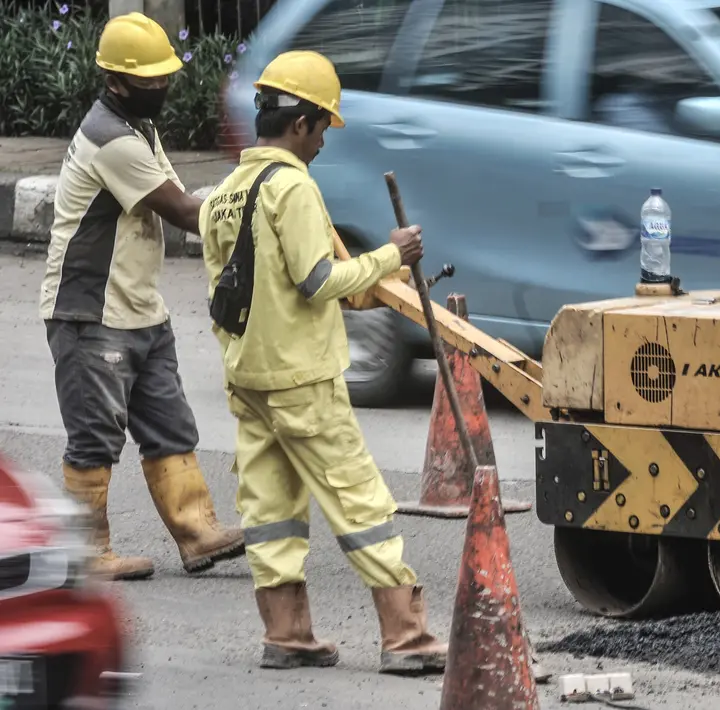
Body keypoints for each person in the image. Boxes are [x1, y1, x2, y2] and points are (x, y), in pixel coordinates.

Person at [199, 50, 448, 675]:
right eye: (321, 130)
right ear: (302, 123)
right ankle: (408, 638)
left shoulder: (222, 197)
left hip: (248, 378)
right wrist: (391, 256)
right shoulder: (292, 188)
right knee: (360, 503)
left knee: (270, 510)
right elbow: (315, 282)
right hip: (302, 379)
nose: (321, 145)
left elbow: (236, 293)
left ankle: (286, 633)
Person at [40, 12, 244, 581]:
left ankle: (197, 532)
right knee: (95, 435)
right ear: (117, 82)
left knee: (169, 425)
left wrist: (233, 199)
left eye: (165, 77)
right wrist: (256, 207)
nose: (163, 87)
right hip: (89, 311)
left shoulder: (138, 128)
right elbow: (182, 210)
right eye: (151, 80)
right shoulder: (110, 138)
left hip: (139, 307)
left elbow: (182, 194)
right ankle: (88, 553)